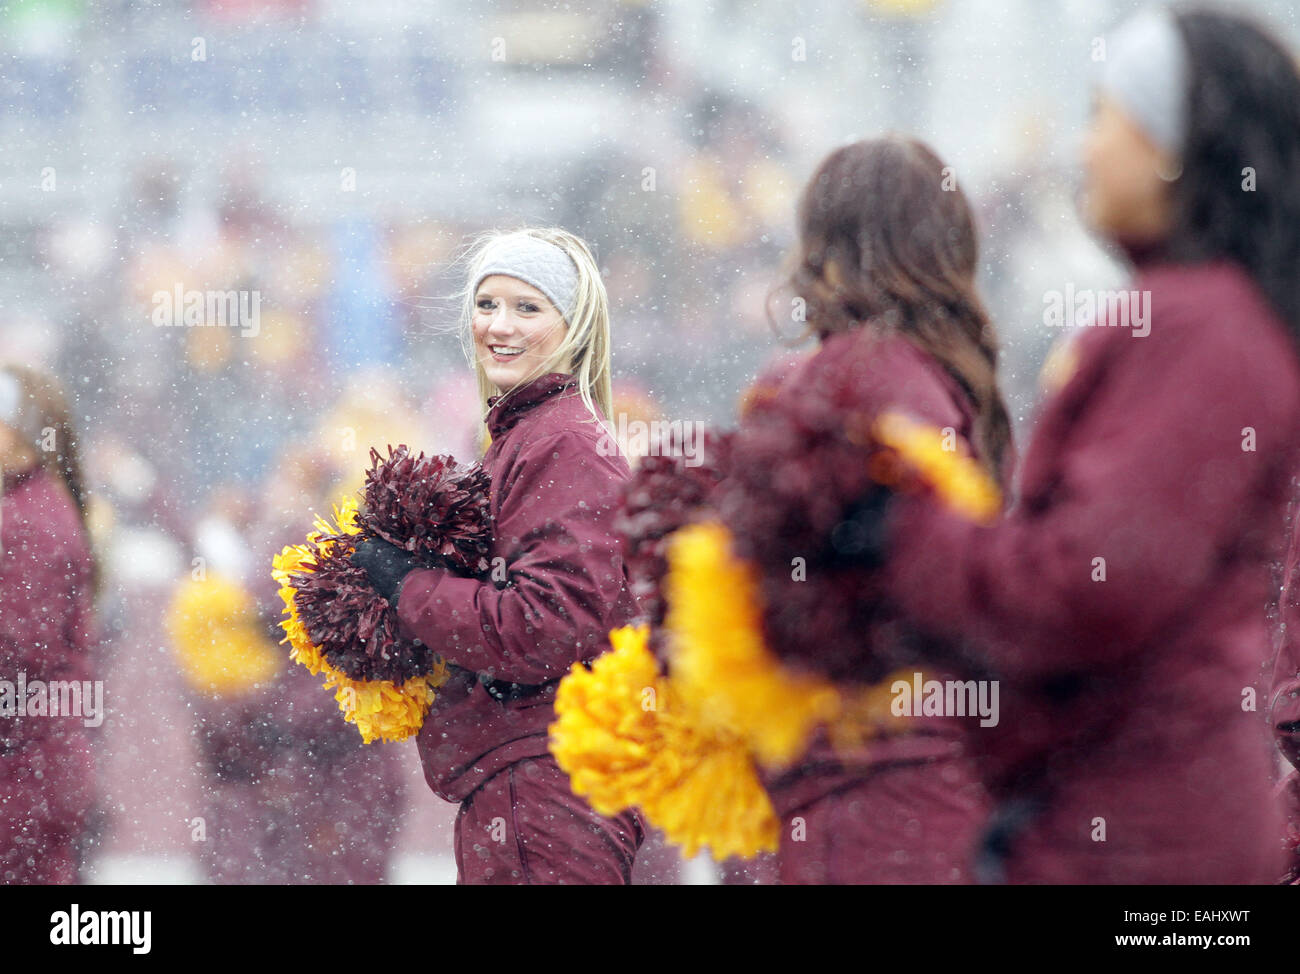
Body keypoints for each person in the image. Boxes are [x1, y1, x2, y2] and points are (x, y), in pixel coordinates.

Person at [869, 4, 1300, 883]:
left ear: (1176, 146)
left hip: (1144, 844)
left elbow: (1087, 583)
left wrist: (898, 532)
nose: (1085, 148)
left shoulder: (1200, 327)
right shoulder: (1202, 313)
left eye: (1105, 116)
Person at [724, 137, 1014, 883]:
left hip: (867, 768)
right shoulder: (931, 377)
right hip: (915, 762)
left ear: (828, 245)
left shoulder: (846, 380)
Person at [351, 227, 644, 884]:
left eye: (527, 307)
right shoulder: (527, 434)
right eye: (487, 304)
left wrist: (409, 587)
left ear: (571, 325)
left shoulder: (563, 441)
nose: (499, 325)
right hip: (531, 778)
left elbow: (547, 623)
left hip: (543, 783)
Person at [0, 364, 99, 884]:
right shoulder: (34, 509)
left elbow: (19, 652)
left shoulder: (26, 521)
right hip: (35, 763)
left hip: (22, 768)